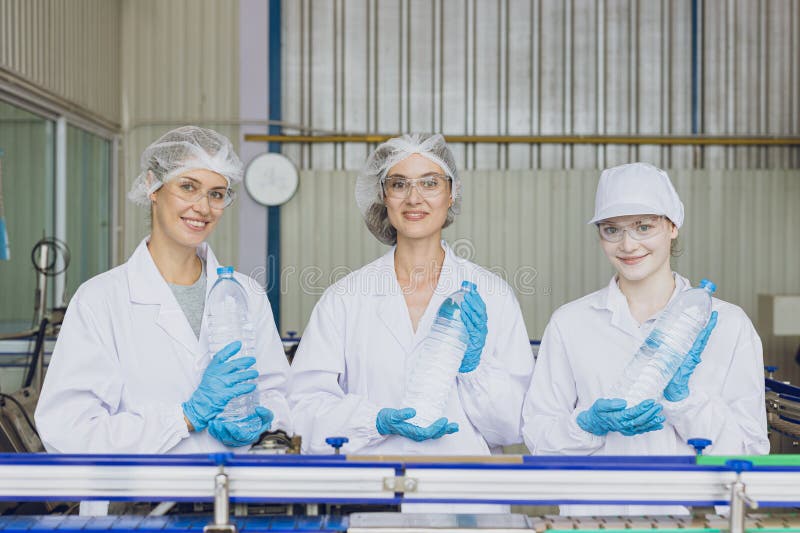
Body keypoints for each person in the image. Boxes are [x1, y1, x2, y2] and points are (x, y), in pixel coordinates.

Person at [35, 127, 291, 505]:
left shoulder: (246, 295)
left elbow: (278, 392)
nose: (202, 208)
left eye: (216, 194)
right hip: (134, 511)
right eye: (188, 186)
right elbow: (67, 432)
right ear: (153, 187)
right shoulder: (101, 300)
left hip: (231, 504)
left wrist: (264, 418)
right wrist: (183, 418)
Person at [289, 134, 533, 510]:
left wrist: (474, 368)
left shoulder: (492, 294)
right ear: (382, 196)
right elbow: (303, 410)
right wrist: (375, 421)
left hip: (465, 500)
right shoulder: (345, 298)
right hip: (370, 497)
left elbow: (514, 425)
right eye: (399, 184)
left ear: (451, 194)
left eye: (430, 183)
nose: (414, 198)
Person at [521, 162, 769, 516]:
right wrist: (587, 426)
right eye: (612, 230)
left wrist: (686, 403)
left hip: (691, 521)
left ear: (672, 226)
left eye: (644, 226)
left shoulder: (728, 325)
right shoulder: (570, 323)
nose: (628, 244)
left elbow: (749, 455)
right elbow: (539, 439)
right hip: (590, 520)